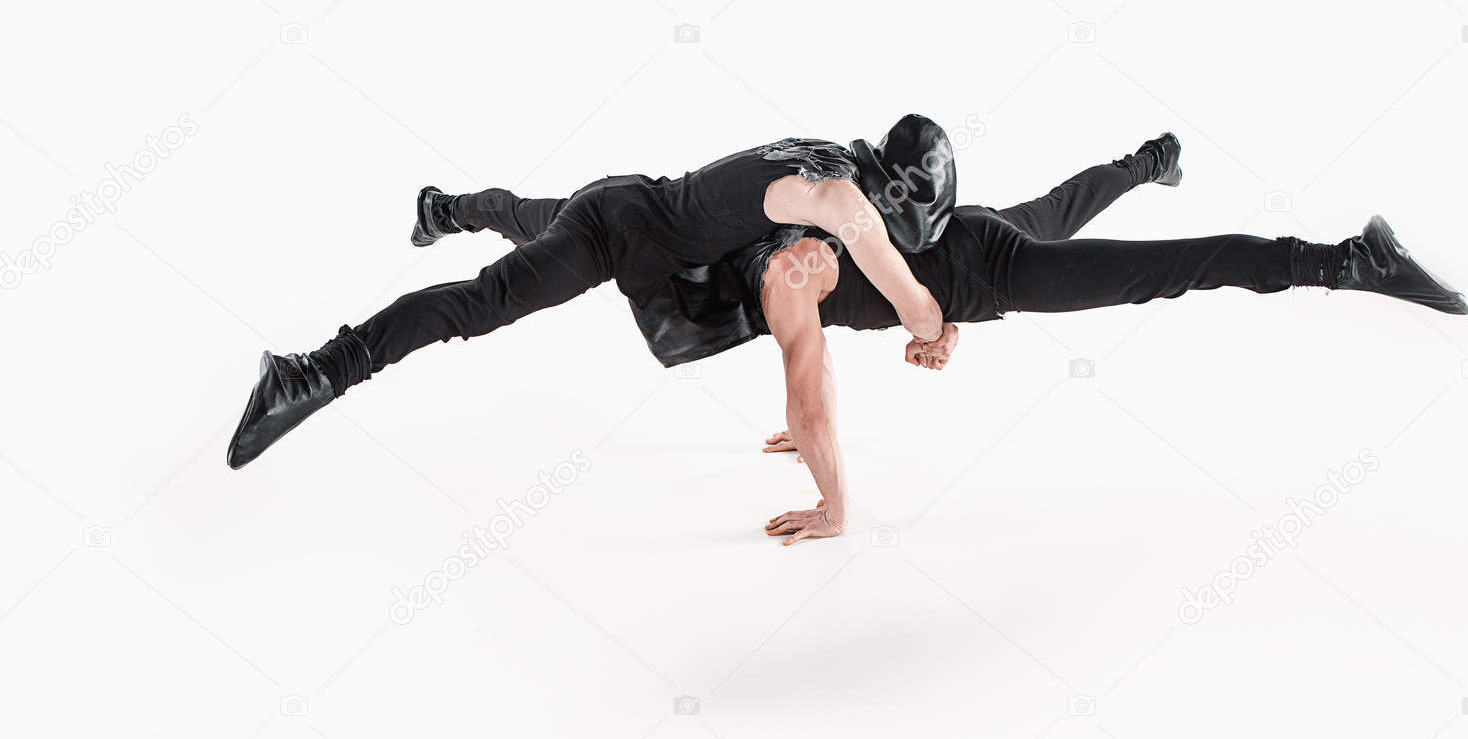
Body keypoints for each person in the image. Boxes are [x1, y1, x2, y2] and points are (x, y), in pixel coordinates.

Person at [400, 131, 1468, 544]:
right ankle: (1149, 158)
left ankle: (1343, 259)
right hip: (963, 254)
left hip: (988, 270)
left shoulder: (796, 264)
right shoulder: (780, 231)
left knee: (1150, 263)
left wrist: (833, 501)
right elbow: (800, 358)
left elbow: (807, 378)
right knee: (556, 220)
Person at [226, 115, 957, 469]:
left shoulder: (826, 153)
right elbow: (909, 298)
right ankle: (312, 372)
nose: (880, 238)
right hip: (614, 228)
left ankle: (442, 209)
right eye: (891, 227)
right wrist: (934, 328)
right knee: (484, 301)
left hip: (634, 219)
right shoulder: (836, 194)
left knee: (522, 217)